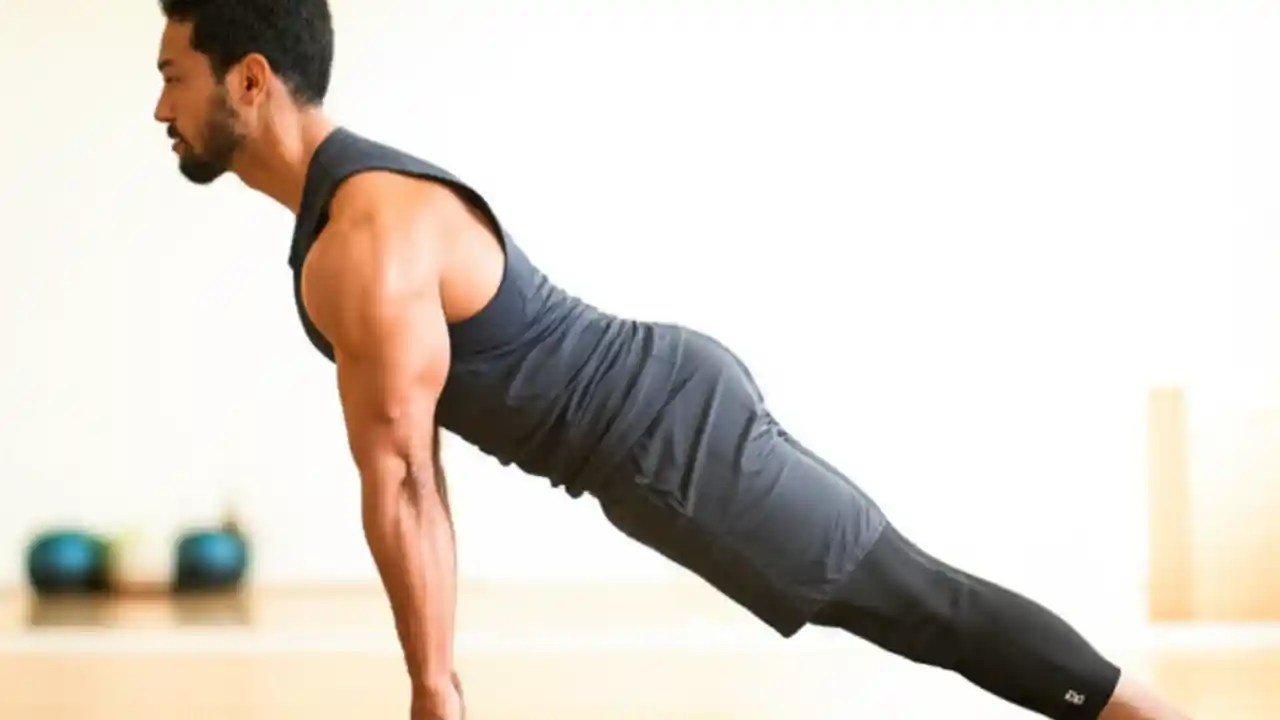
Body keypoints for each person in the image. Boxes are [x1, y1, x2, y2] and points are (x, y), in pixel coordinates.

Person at [151, 2, 1192, 719]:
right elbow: (409, 468)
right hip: (663, 424)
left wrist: (435, 689)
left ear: (251, 79)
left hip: (670, 442)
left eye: (172, 77)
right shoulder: (352, 216)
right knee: (913, 600)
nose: (160, 109)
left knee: (916, 603)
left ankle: (1139, 712)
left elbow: (406, 478)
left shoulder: (366, 240)